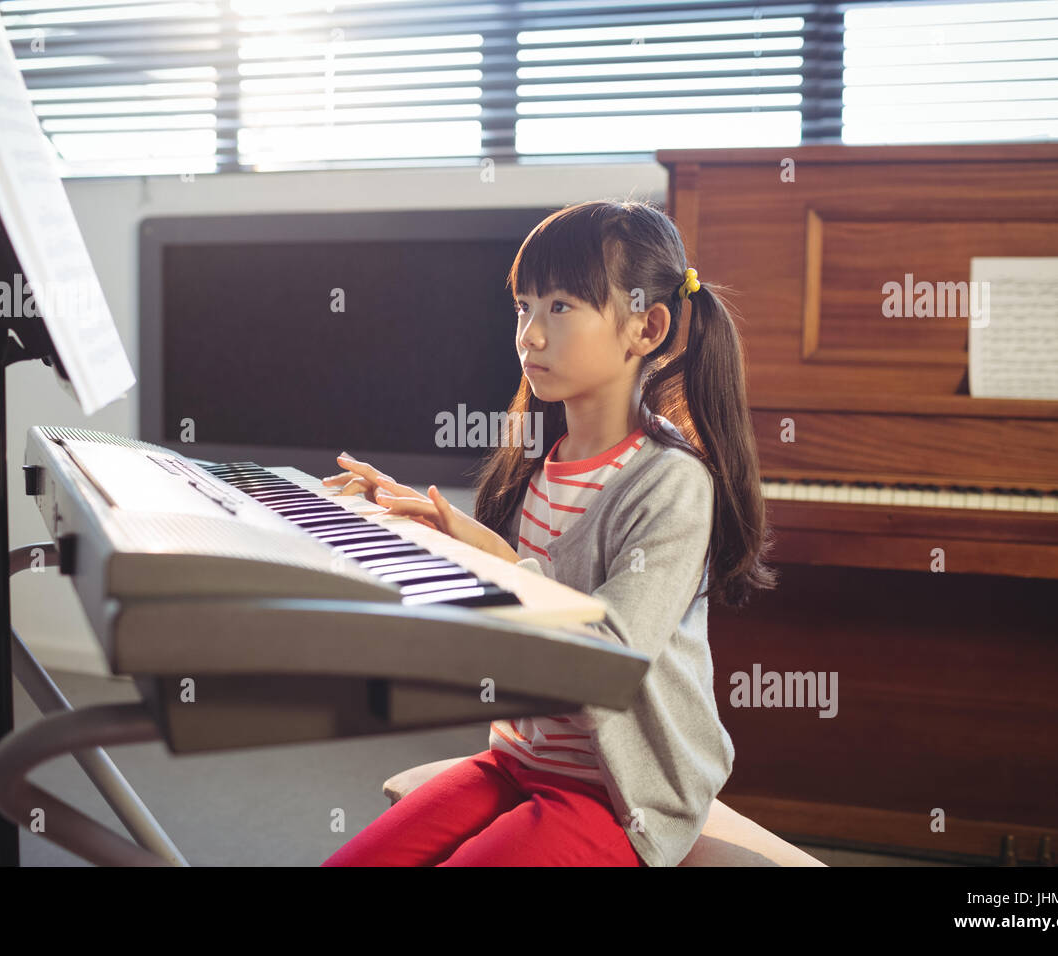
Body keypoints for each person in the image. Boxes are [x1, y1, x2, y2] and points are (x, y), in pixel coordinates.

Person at [319, 199, 777, 866]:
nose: (528, 335)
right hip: (516, 761)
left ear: (645, 327)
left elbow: (609, 654)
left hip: (619, 796)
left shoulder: (671, 483)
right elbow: (518, 595)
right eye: (523, 307)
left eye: (560, 307)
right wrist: (421, 530)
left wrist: (491, 562)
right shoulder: (540, 459)